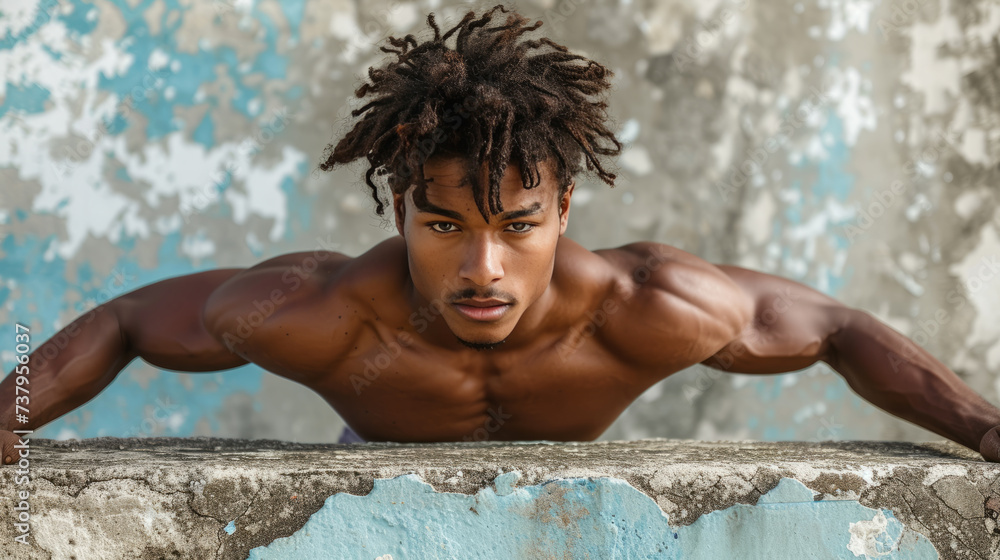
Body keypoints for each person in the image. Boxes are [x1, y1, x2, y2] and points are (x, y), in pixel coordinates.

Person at [4, 4, 1000, 463]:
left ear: (563, 210)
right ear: (398, 210)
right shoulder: (319, 313)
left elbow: (834, 329)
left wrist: (984, 425)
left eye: (517, 225)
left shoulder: (648, 306)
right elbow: (130, 321)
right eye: (444, 223)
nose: (482, 266)